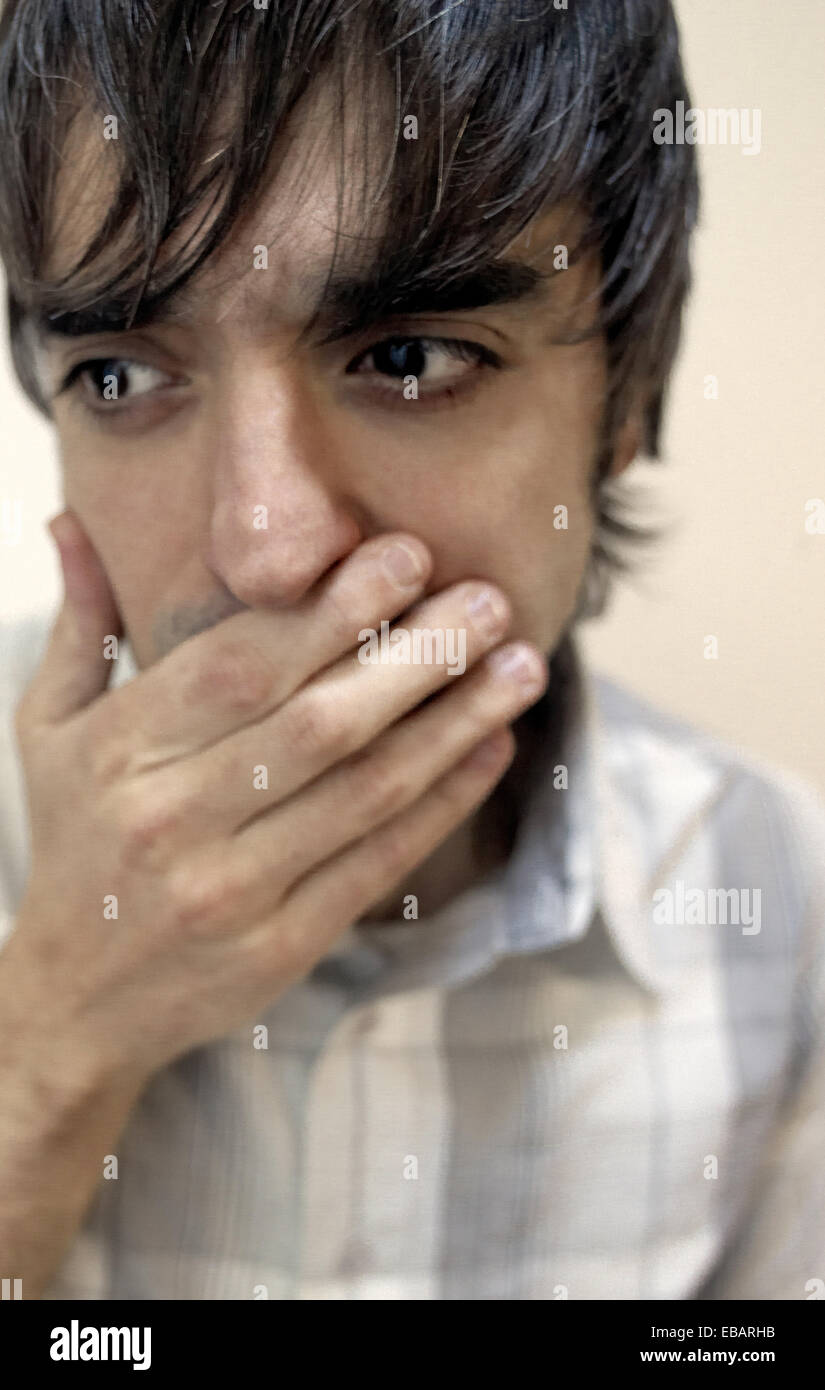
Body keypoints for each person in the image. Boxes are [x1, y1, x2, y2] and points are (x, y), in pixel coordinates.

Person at [0, 0, 822, 1302]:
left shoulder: (788, 922)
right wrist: (50, 1037)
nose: (266, 545)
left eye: (410, 354)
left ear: (629, 394)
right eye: (117, 375)